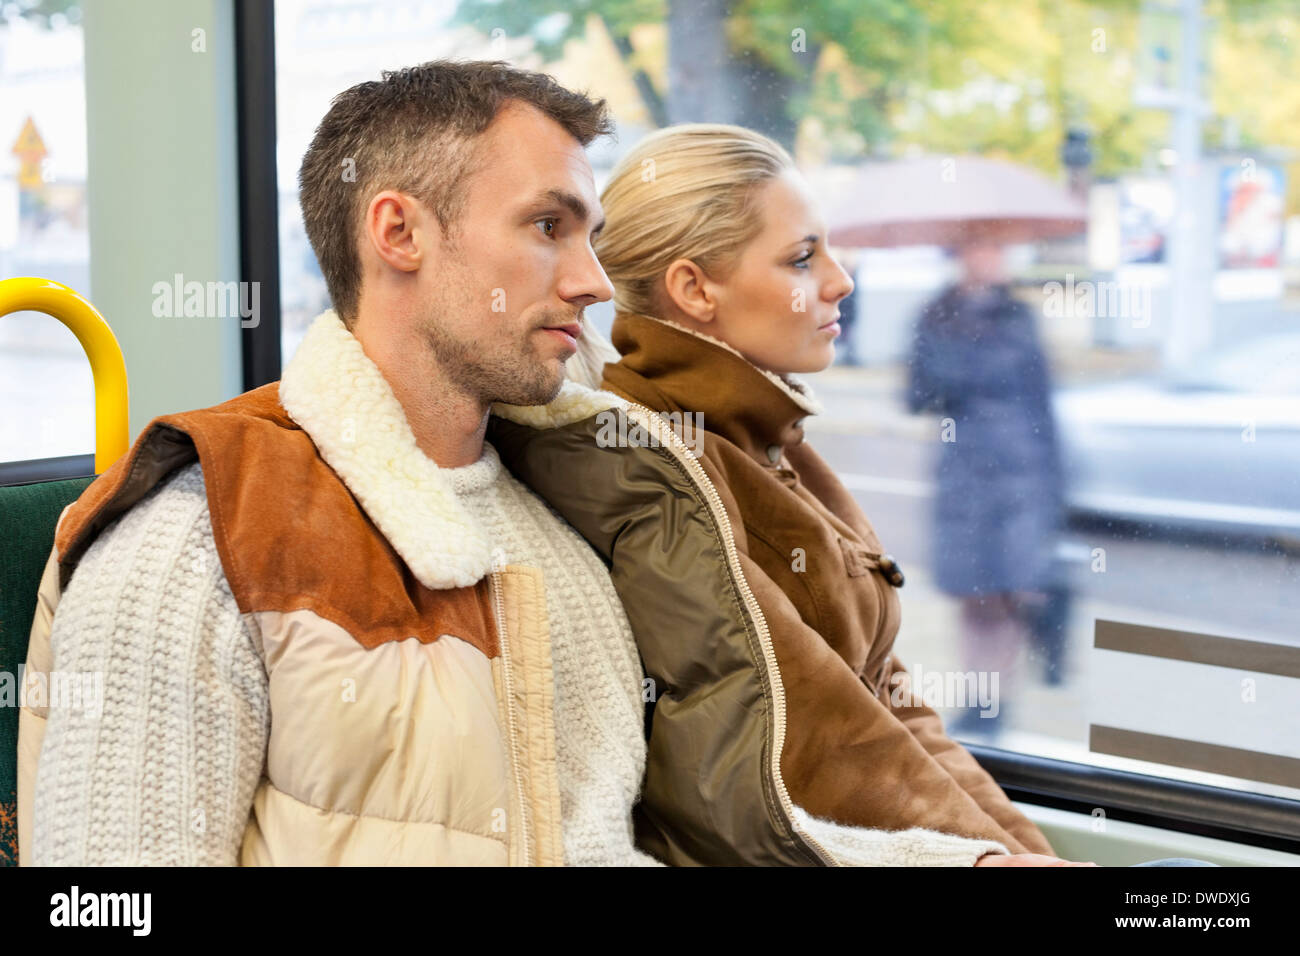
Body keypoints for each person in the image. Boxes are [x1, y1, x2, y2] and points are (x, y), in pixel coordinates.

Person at [16, 61, 1021, 867]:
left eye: (587, 235)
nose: (590, 283)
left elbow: (650, 837)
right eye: (548, 227)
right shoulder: (199, 536)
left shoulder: (573, 528)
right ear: (398, 230)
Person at [586, 122, 1102, 867]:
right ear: (695, 288)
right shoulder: (662, 467)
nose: (841, 280)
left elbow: (892, 705)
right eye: (802, 258)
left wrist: (1027, 851)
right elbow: (828, 742)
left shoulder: (773, 440)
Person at [905, 239, 1068, 737]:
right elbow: (916, 397)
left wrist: (1056, 480)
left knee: (1011, 586)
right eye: (981, 247)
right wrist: (953, 354)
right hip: (965, 471)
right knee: (973, 590)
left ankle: (1000, 695)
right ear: (960, 254)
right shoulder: (934, 316)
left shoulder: (1020, 316)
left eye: (998, 249)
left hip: (1022, 468)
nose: (991, 258)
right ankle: (981, 701)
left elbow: (1042, 400)